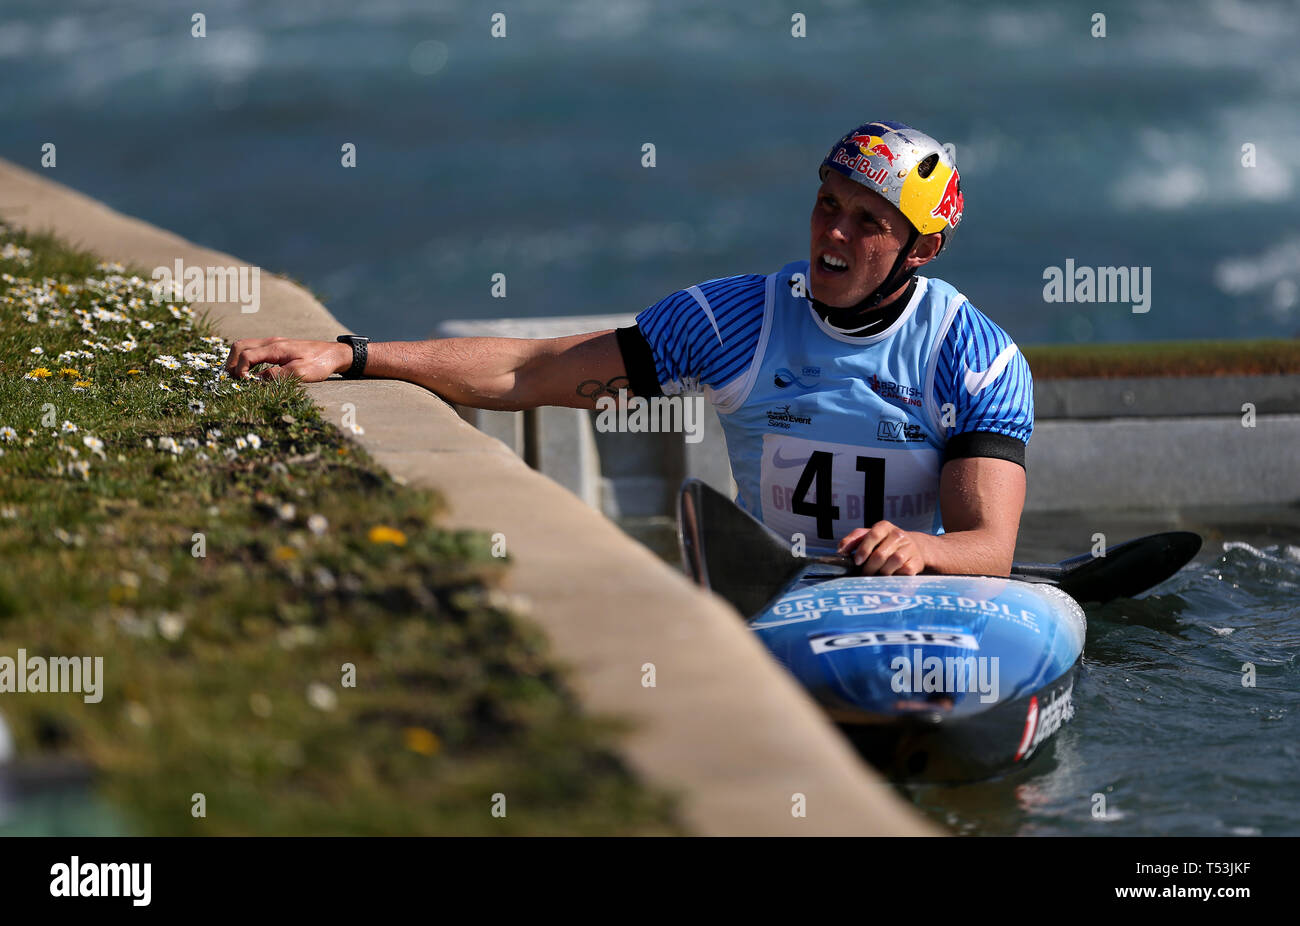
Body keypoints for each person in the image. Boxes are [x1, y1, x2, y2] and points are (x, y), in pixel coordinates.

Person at [225, 120, 1032, 578]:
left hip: (919, 607)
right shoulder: (734, 322)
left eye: (867, 222)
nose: (832, 233)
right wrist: (353, 356)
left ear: (921, 251)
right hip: (773, 594)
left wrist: (920, 548)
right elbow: (530, 369)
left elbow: (988, 550)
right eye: (827, 205)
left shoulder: (970, 357)